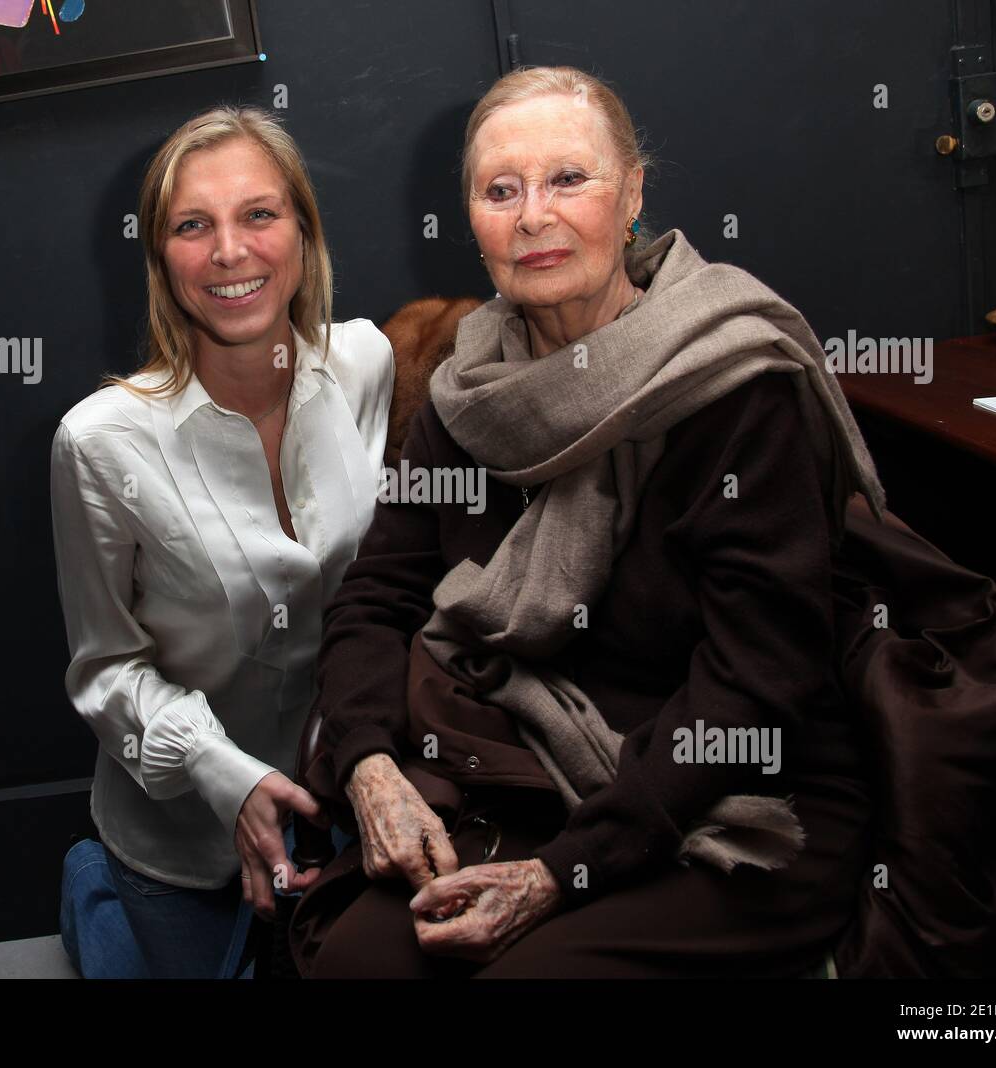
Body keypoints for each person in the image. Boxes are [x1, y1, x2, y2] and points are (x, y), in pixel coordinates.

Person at [288, 66, 887, 978]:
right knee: (358, 964)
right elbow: (377, 597)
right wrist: (369, 763)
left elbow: (759, 681)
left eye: (569, 179)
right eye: (501, 191)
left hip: (731, 792)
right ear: (472, 219)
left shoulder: (735, 387)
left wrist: (562, 873)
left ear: (634, 193)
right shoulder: (463, 394)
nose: (534, 216)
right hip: (527, 763)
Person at [50, 105, 392, 978]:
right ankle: (90, 884)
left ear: (304, 234)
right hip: (182, 834)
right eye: (192, 226)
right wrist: (224, 776)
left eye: (259, 214)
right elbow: (104, 670)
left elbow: (384, 590)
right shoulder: (99, 443)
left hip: (341, 797)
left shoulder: (366, 363)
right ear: (161, 259)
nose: (230, 252)